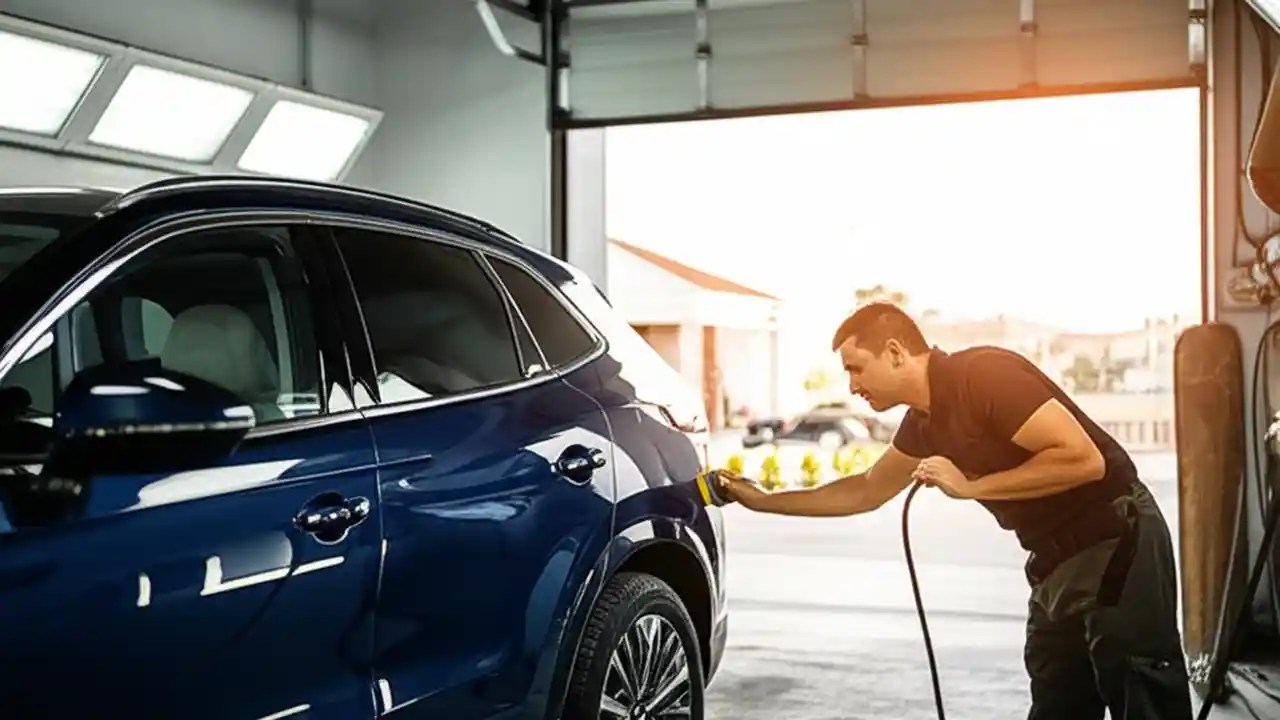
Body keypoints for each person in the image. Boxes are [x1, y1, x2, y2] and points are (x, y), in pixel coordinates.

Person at [717, 302, 1192, 719]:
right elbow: (864, 490)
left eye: (856, 367)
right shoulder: (923, 424)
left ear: (897, 352)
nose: (852, 383)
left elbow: (1082, 460)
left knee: (1143, 700)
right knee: (1057, 704)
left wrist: (973, 487)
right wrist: (763, 501)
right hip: (1053, 565)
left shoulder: (984, 377)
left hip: (1114, 540)